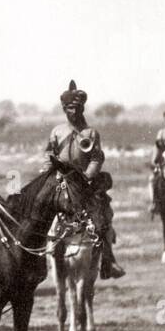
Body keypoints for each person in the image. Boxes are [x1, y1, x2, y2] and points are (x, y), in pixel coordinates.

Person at [47, 81, 125, 279]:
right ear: (64, 109)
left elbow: (97, 158)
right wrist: (49, 173)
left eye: (77, 107)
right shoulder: (57, 132)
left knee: (102, 215)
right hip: (61, 182)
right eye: (69, 108)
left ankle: (108, 261)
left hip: (84, 183)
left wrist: (87, 176)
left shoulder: (91, 133)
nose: (73, 111)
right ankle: (39, 258)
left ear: (82, 108)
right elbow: (49, 156)